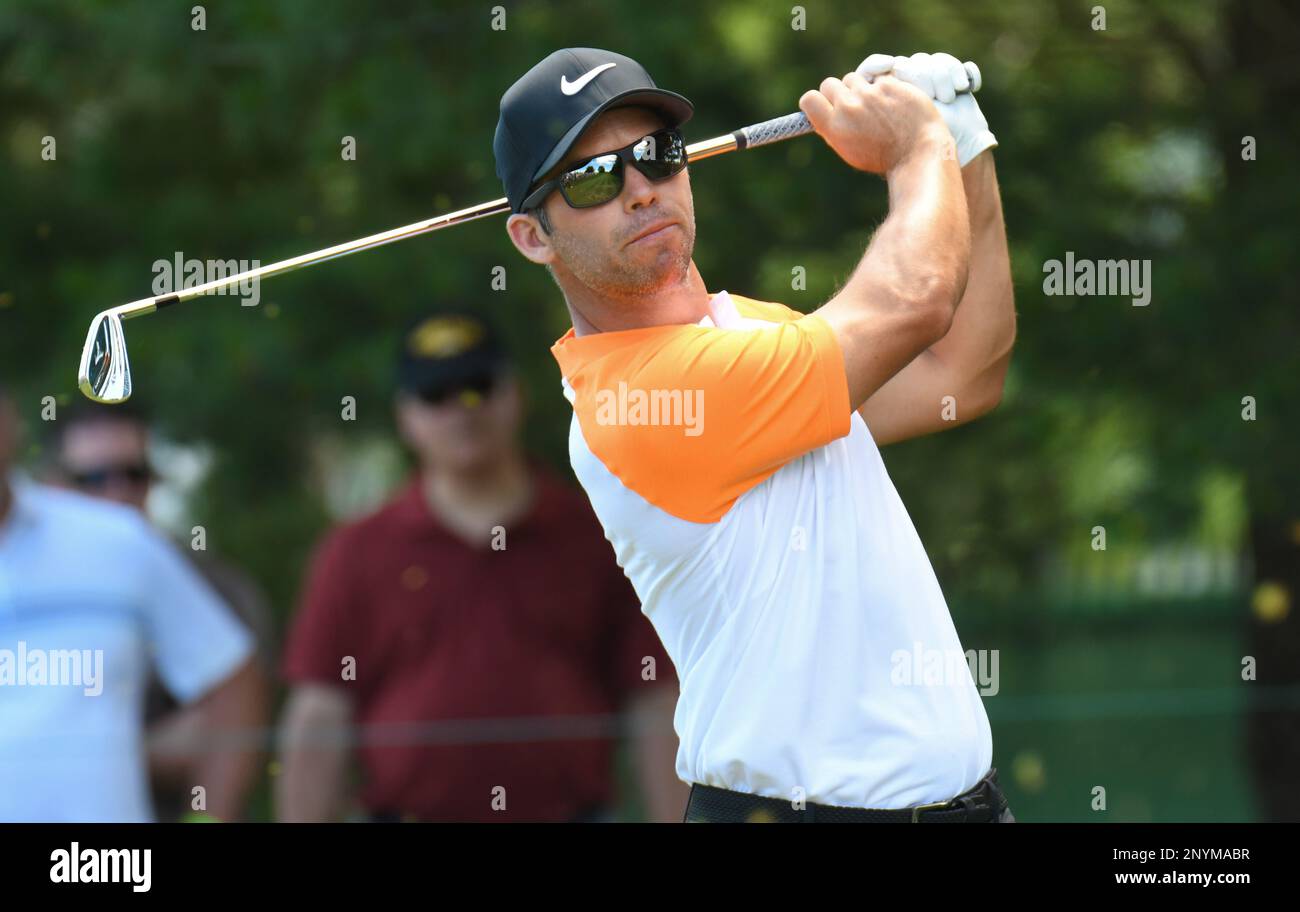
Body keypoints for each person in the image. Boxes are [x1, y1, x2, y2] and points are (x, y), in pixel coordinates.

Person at [495, 48, 1017, 822]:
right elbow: (916, 302)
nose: (641, 190)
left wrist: (963, 143)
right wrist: (917, 146)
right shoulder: (641, 401)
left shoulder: (751, 335)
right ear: (534, 239)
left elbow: (960, 374)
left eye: (658, 156)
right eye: (595, 179)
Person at [276, 312, 685, 822]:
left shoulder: (599, 533)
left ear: (514, 394)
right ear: (406, 416)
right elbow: (319, 715)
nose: (461, 410)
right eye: (436, 395)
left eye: (477, 387)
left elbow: (655, 702)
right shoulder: (357, 551)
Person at [0, 383, 259, 822]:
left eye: (134, 474)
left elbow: (236, 690)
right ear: (56, 478)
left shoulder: (134, 549)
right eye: (95, 479)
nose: (118, 492)